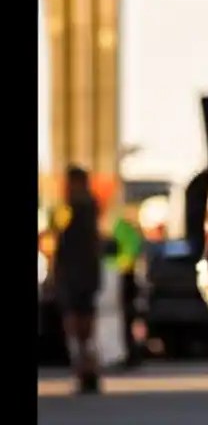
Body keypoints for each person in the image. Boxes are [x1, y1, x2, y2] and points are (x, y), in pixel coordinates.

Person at [52, 165, 103, 394]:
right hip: (87, 275)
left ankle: (85, 371)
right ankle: (88, 371)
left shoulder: (74, 208)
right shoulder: (91, 207)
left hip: (75, 276)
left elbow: (62, 242)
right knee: (85, 328)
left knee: (77, 327)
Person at [112, 210, 145, 369]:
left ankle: (128, 353)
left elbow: (131, 251)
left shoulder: (118, 227)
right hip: (123, 276)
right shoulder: (123, 227)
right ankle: (129, 353)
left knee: (124, 317)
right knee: (126, 317)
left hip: (121, 277)